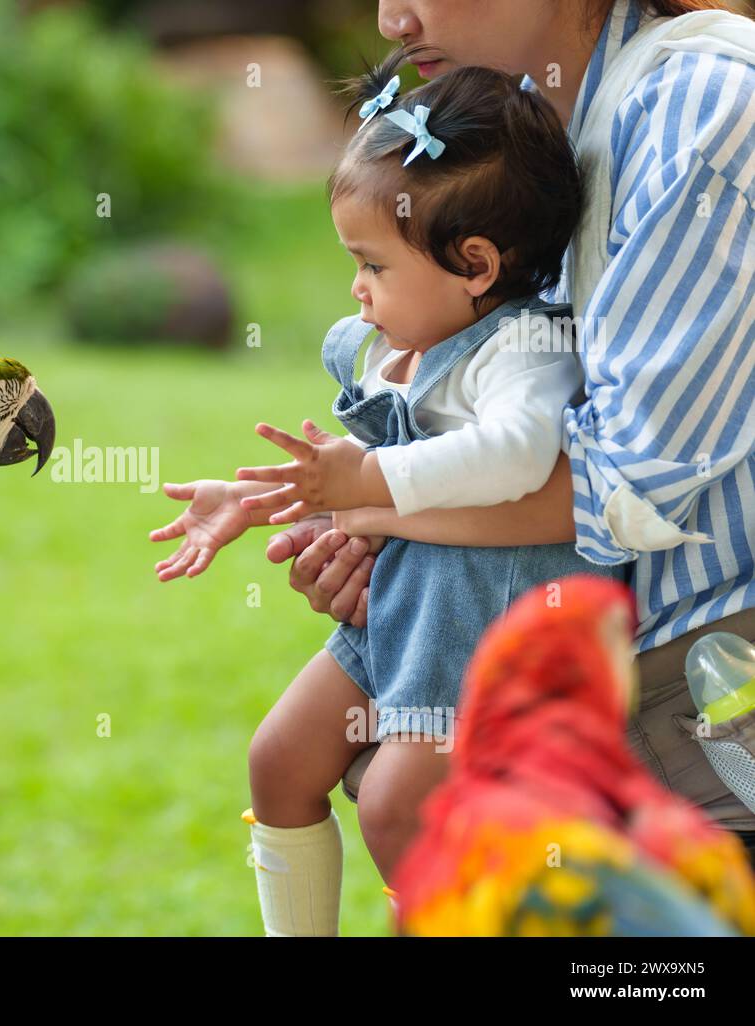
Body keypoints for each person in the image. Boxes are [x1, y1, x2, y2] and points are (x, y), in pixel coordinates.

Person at [150, 49, 625, 935]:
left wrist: (365, 479)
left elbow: (517, 457)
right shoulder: (391, 349)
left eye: (373, 264)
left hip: (481, 637)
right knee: (279, 758)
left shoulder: (525, 351)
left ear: (476, 264)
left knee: (397, 803)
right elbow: (338, 479)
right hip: (399, 618)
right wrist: (252, 499)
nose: (356, 288)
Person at [275, 0, 755, 870]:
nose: (391, 18)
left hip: (706, 711)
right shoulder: (531, 134)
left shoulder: (703, 109)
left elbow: (620, 491)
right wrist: (365, 531)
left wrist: (373, 504)